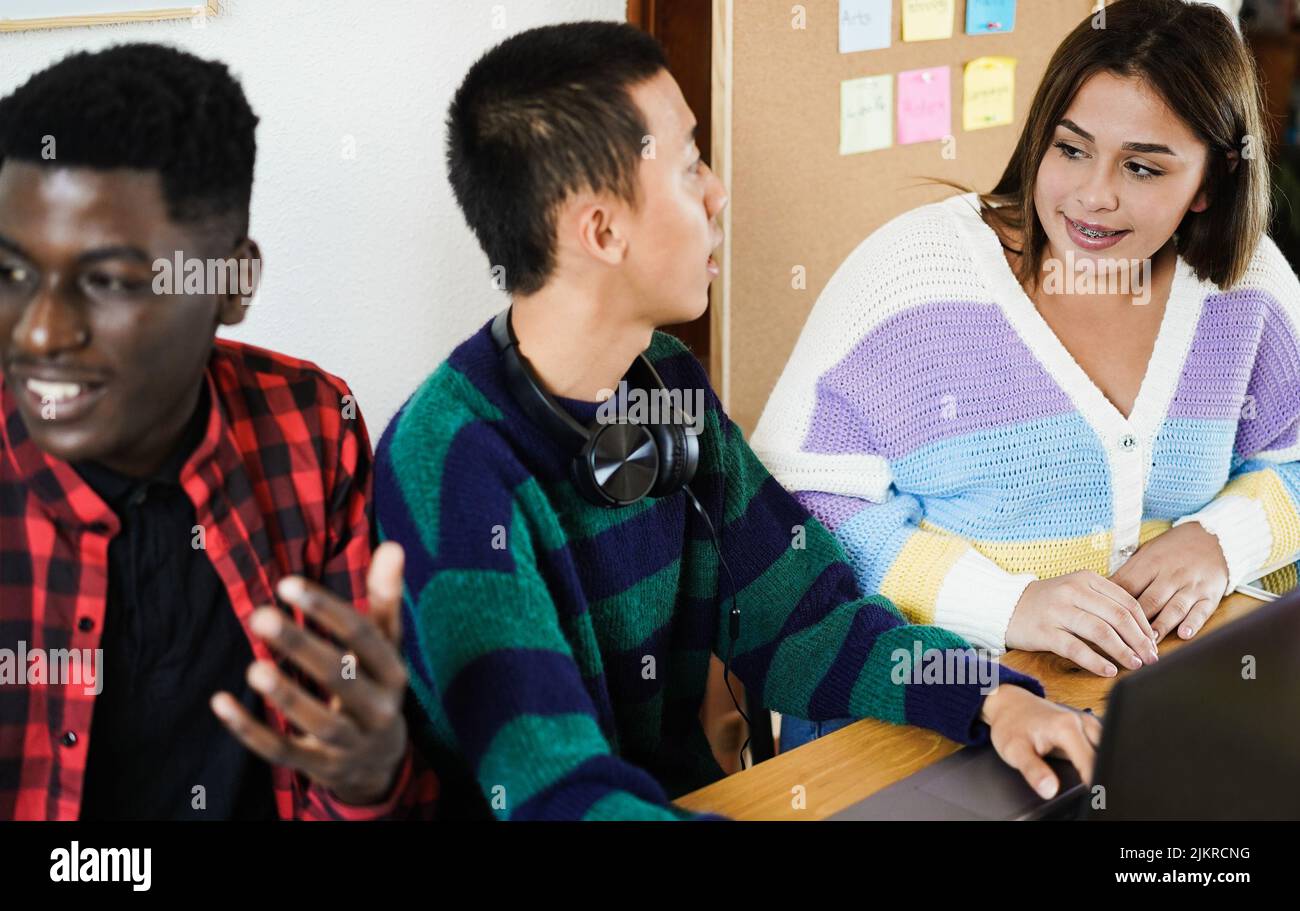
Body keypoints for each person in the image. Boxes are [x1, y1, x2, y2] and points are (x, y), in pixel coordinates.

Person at [374, 21, 1102, 820]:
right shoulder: (447, 462)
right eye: (691, 168)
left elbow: (805, 619)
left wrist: (992, 698)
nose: (719, 193)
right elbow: (555, 792)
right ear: (602, 230)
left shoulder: (665, 380)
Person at [751, 0, 1298, 750]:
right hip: (919, 719)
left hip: (1147, 710)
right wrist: (1007, 604)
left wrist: (1224, 538)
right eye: (1071, 150)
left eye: (1141, 166)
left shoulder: (1248, 291)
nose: (1092, 194)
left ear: (1210, 181)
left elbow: (1293, 461)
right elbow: (793, 510)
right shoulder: (915, 280)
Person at [0, 44, 436, 819]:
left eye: (107, 281)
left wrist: (369, 776)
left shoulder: (312, 428)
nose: (39, 333)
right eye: (10, 273)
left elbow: (360, 782)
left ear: (231, 283)